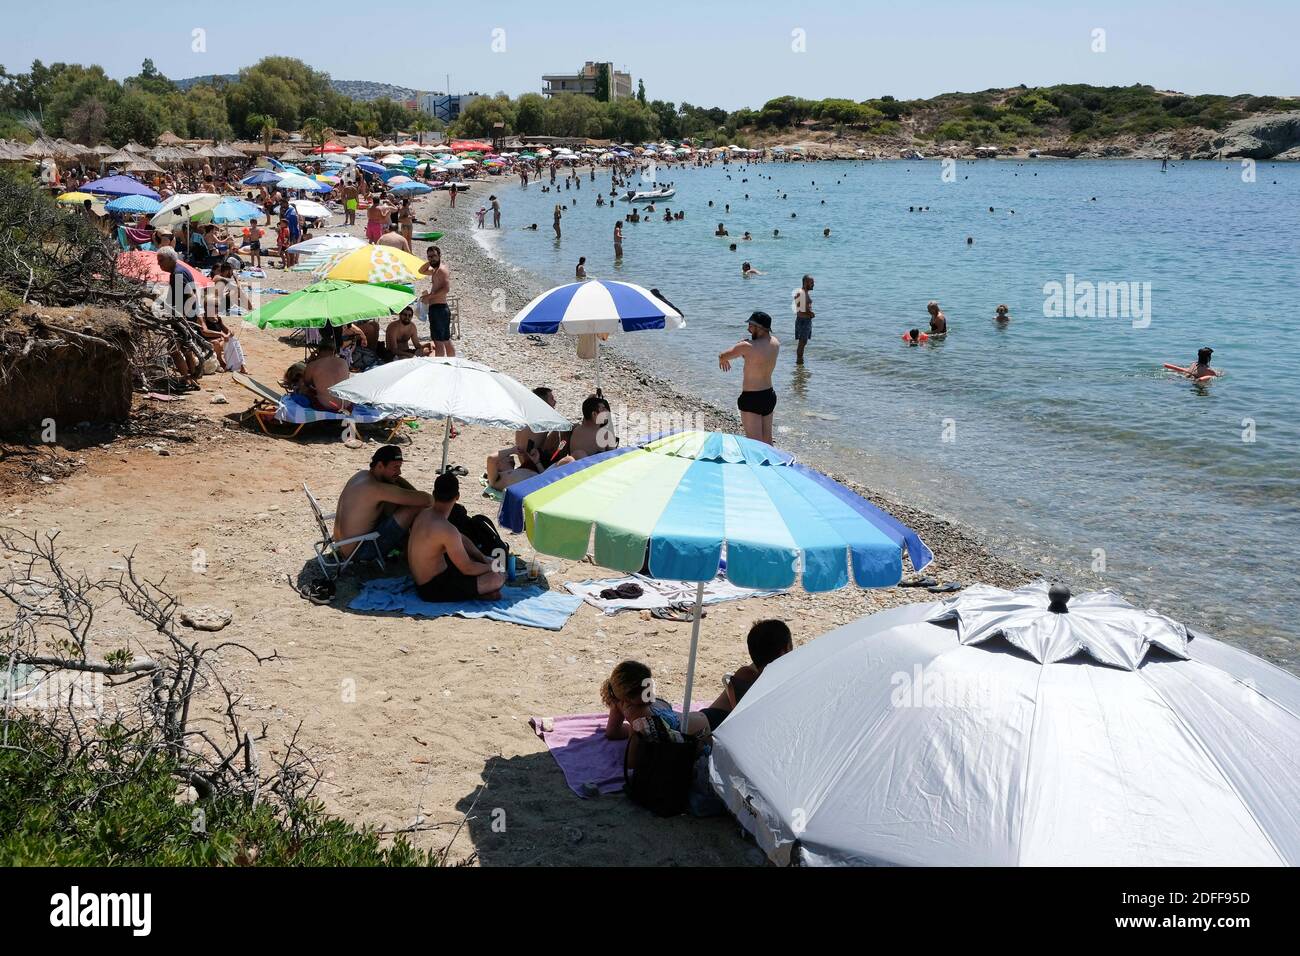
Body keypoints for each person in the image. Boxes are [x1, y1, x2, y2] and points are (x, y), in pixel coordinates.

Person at [407, 473, 507, 601]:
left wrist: (483, 558)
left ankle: (479, 591)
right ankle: (479, 593)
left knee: (472, 558)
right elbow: (467, 569)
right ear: (457, 496)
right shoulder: (447, 530)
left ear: (434, 494)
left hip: (422, 581)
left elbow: (461, 538)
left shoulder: (423, 514)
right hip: (432, 589)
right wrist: (492, 567)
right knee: (497, 577)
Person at [333, 445, 432, 560]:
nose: (399, 472)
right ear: (380, 465)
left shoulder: (362, 475)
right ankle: (419, 549)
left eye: (400, 467)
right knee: (413, 508)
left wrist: (395, 477)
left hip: (341, 545)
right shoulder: (376, 488)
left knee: (394, 504)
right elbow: (427, 499)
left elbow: (409, 492)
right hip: (358, 551)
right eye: (395, 467)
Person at [601, 661, 711, 764]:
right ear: (631, 696)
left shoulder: (618, 701)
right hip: (707, 731)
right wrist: (634, 730)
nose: (651, 691)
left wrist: (637, 729)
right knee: (728, 688)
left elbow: (612, 732)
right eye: (647, 689)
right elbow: (631, 763)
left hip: (703, 723)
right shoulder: (640, 718)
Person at [700, 620, 793, 729]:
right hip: (710, 727)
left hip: (706, 724)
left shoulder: (746, 675)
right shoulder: (776, 683)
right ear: (784, 650)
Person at [720, 311, 780, 444]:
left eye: (751, 325)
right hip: (769, 396)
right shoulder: (775, 343)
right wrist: (744, 348)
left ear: (760, 327)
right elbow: (757, 357)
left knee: (755, 445)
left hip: (751, 398)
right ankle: (773, 464)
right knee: (767, 443)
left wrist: (738, 347)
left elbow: (723, 356)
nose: (748, 329)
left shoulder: (746, 347)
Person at [156, 248, 202, 389]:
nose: (159, 264)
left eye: (161, 261)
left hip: (183, 318)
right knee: (186, 348)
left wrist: (182, 318)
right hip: (188, 316)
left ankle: (186, 379)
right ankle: (193, 378)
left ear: (170, 259)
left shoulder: (177, 274)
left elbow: (190, 296)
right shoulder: (181, 270)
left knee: (173, 349)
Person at [418, 244, 454, 357]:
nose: (431, 258)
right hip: (437, 308)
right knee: (443, 339)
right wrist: (430, 262)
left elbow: (446, 289)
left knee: (440, 341)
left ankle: (443, 365)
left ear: (439, 255)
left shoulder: (442, 270)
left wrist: (429, 297)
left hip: (439, 308)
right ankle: (449, 362)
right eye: (429, 257)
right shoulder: (435, 270)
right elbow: (421, 270)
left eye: (434, 256)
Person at [301, 340, 350, 411]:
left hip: (326, 406)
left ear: (318, 350)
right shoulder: (343, 362)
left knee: (304, 391)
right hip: (347, 406)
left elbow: (306, 382)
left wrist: (310, 361)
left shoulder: (313, 365)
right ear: (334, 351)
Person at [569, 394, 616, 459]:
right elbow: (614, 456)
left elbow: (586, 416)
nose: (607, 412)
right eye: (603, 409)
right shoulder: (605, 435)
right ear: (594, 414)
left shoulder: (576, 429)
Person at [793, 274, 815, 366]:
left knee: (803, 342)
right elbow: (800, 307)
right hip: (803, 321)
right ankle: (799, 362)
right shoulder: (800, 292)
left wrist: (810, 313)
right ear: (805, 282)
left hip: (805, 320)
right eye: (811, 282)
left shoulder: (804, 292)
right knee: (802, 342)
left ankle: (800, 361)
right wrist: (810, 313)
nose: (813, 284)